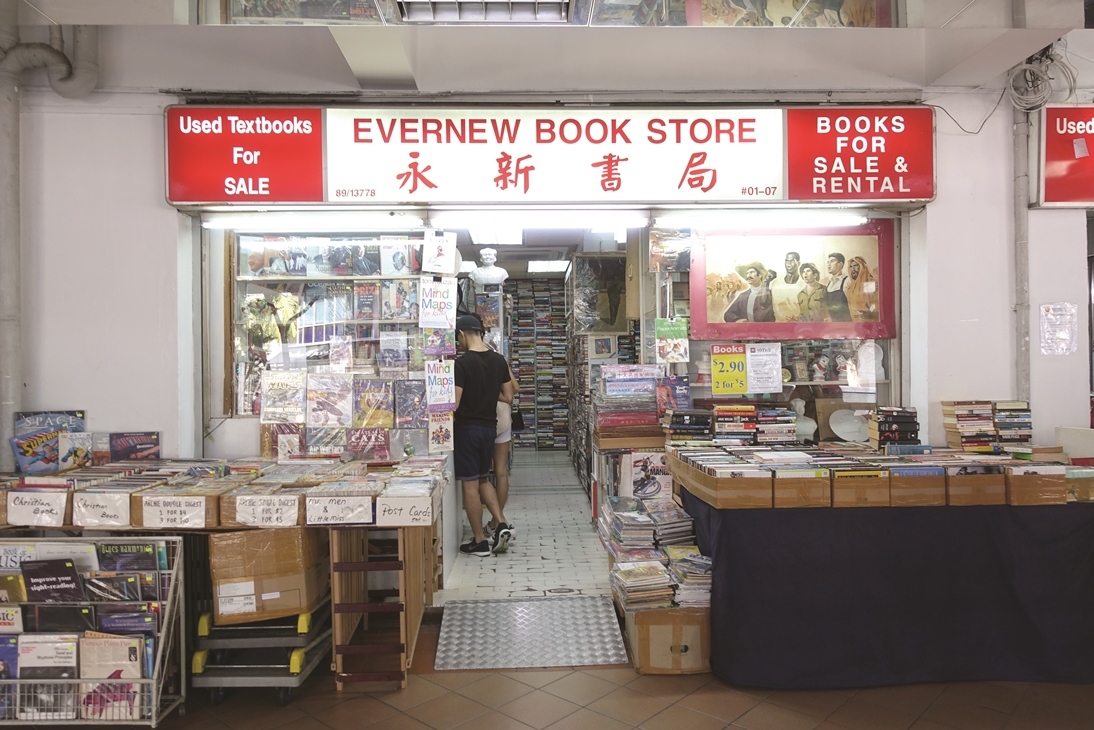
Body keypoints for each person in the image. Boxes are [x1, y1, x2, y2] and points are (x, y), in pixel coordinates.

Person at [454, 314, 516, 557]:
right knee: (483, 479)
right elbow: (508, 397)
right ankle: (500, 523)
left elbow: (456, 403)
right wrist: (487, 394)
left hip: (467, 429)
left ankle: (479, 540)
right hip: (490, 429)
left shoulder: (462, 363)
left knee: (470, 485)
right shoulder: (499, 361)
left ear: (461, 334)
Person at [487, 362, 518, 543]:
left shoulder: (474, 363)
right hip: (504, 418)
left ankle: (499, 520)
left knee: (481, 476)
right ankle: (497, 520)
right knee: (501, 472)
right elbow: (515, 389)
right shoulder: (500, 364)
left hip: (485, 417)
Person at [770, 251, 805, 321]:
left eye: (792, 261)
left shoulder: (804, 285)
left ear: (798, 263)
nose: (788, 264)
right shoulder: (774, 283)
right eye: (787, 261)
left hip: (798, 327)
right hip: (778, 327)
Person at [845, 256, 879, 321]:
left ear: (862, 267)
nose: (853, 269)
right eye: (851, 267)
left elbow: (875, 304)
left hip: (868, 323)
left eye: (855, 266)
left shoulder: (870, 283)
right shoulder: (850, 287)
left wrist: (868, 312)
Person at [824, 253, 852, 322]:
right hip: (832, 324)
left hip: (845, 323)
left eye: (832, 261)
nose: (828, 265)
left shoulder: (847, 281)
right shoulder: (829, 283)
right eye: (828, 262)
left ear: (840, 265)